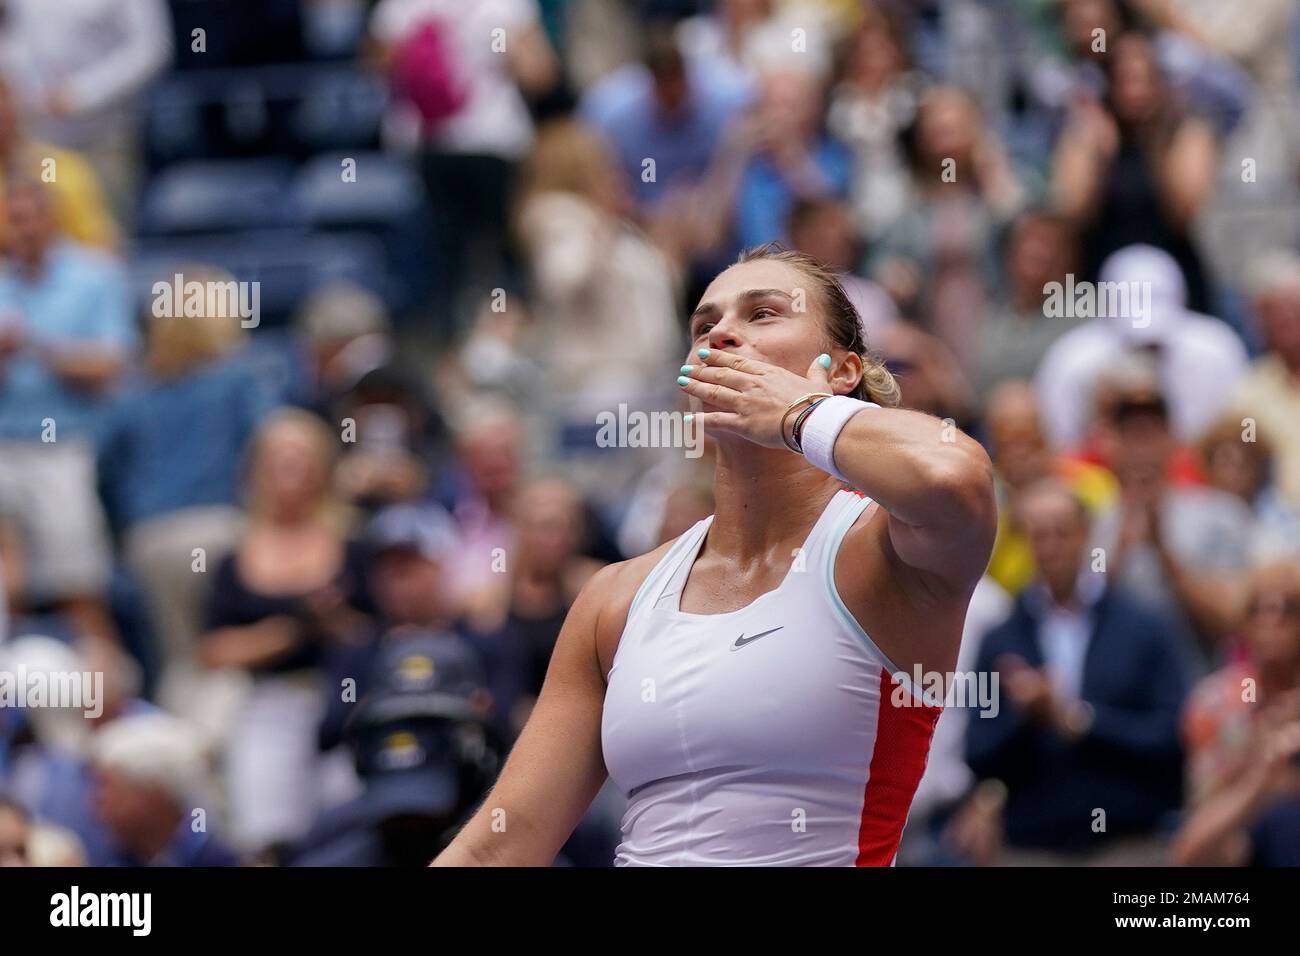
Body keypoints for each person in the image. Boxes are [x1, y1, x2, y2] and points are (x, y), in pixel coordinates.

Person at [432, 246, 997, 866]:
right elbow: (500, 845)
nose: (721, 333)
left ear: (841, 372)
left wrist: (798, 410)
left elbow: (952, 476)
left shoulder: (885, 553)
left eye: (762, 314)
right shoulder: (613, 598)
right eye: (704, 325)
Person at [965, 479, 1189, 864]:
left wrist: (1082, 720)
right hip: (1031, 844)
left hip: (1127, 842)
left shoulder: (1144, 627)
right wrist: (1029, 717)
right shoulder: (1002, 637)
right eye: (1038, 535)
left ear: (1085, 533)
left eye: (1061, 533)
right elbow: (978, 751)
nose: (1050, 548)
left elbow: (1171, 736)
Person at [0, 179, 135, 645]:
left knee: (78, 587)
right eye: (14, 220)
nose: (24, 229)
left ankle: (104, 696)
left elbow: (110, 365)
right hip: (3, 446)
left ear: (51, 218)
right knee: (6, 585)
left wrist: (35, 346)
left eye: (31, 217)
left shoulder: (93, 276)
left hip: (64, 448)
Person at [1172, 561, 1300, 866]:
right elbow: (1197, 835)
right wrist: (1260, 771)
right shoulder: (1214, 704)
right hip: (1242, 844)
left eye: (1288, 608)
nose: (1271, 620)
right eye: (1258, 608)